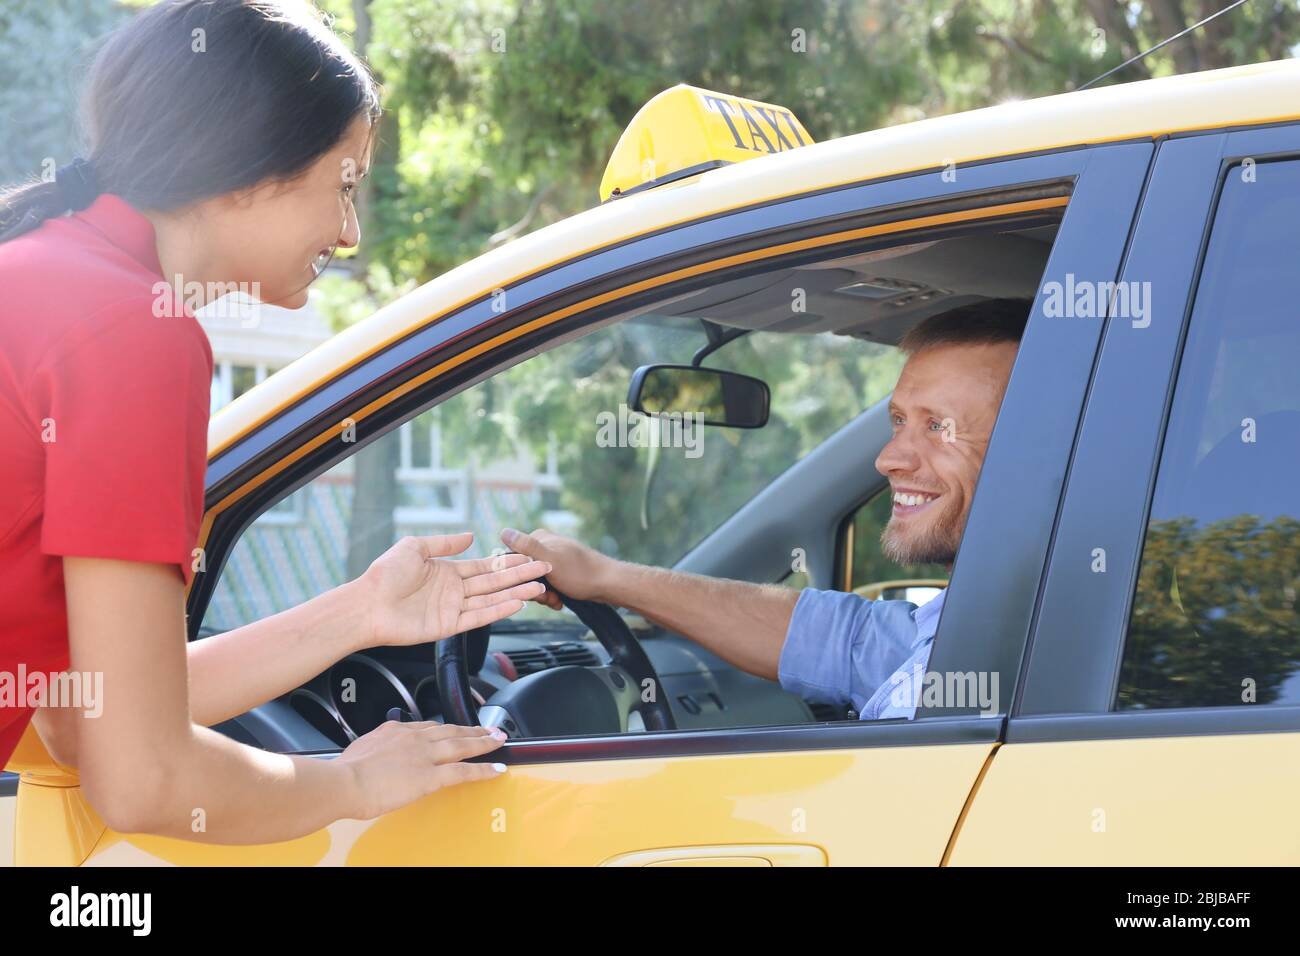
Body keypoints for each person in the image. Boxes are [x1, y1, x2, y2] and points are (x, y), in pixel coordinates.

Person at [0, 0, 550, 844]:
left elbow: (78, 715)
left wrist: (360, 612)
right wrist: (354, 780)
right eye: (344, 183)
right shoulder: (130, 329)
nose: (350, 231)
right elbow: (146, 778)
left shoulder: (49, 277)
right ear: (250, 165)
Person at [501, 299, 1029, 720]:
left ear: (1039, 444)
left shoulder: (1030, 652)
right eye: (898, 422)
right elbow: (844, 641)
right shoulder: (983, 623)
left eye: (938, 427)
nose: (889, 458)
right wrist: (604, 576)